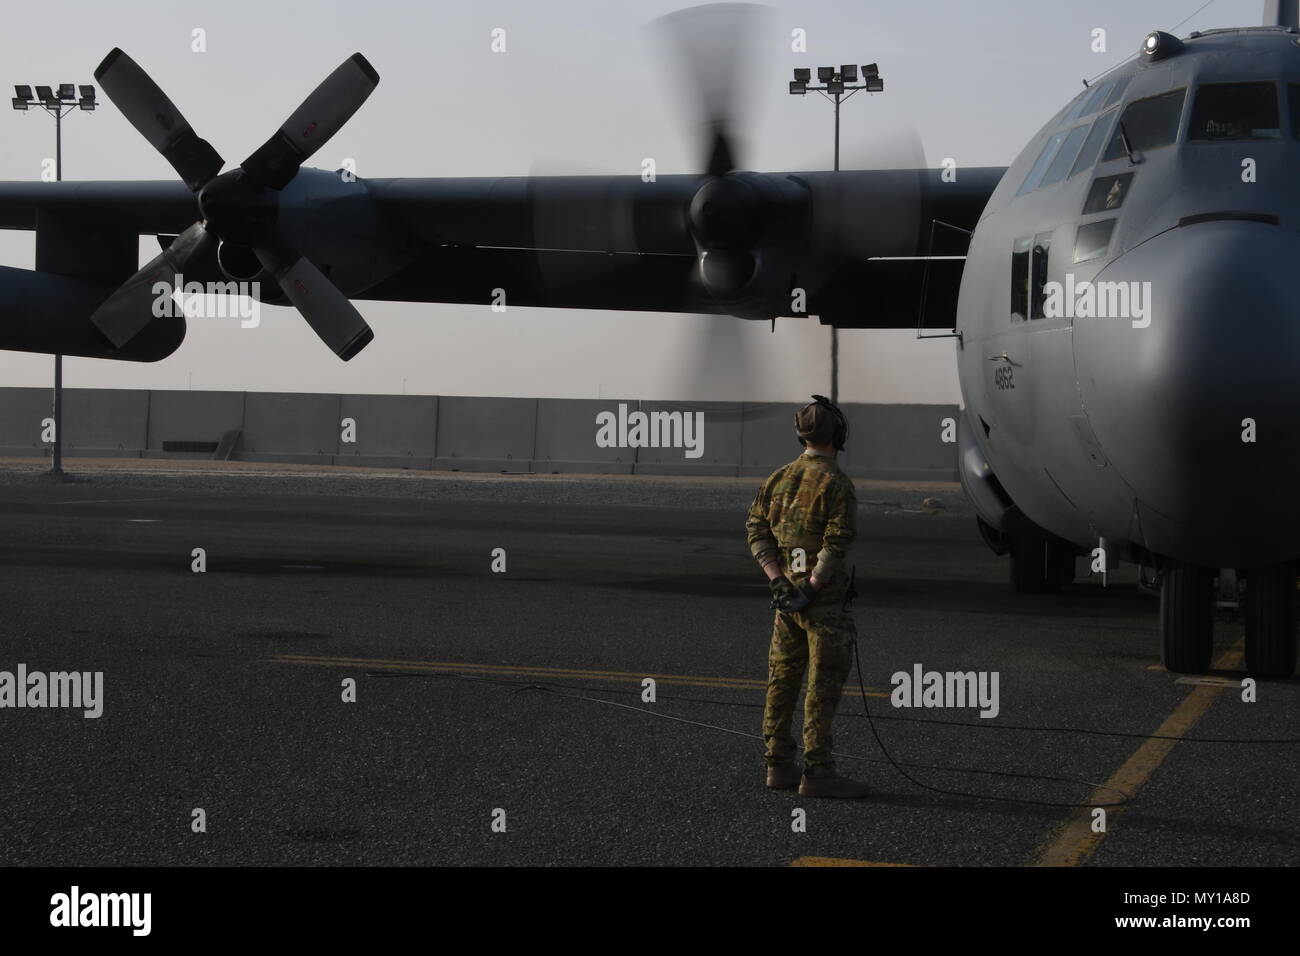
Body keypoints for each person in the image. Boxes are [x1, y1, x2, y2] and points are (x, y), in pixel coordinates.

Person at [745, 395, 869, 799]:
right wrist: (812, 587)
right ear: (838, 435)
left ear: (801, 434)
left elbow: (756, 529)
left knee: (781, 681)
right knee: (821, 687)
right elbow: (836, 542)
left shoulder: (779, 478)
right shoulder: (837, 484)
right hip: (823, 606)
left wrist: (777, 580)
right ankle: (818, 772)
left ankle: (778, 764)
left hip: (786, 605)